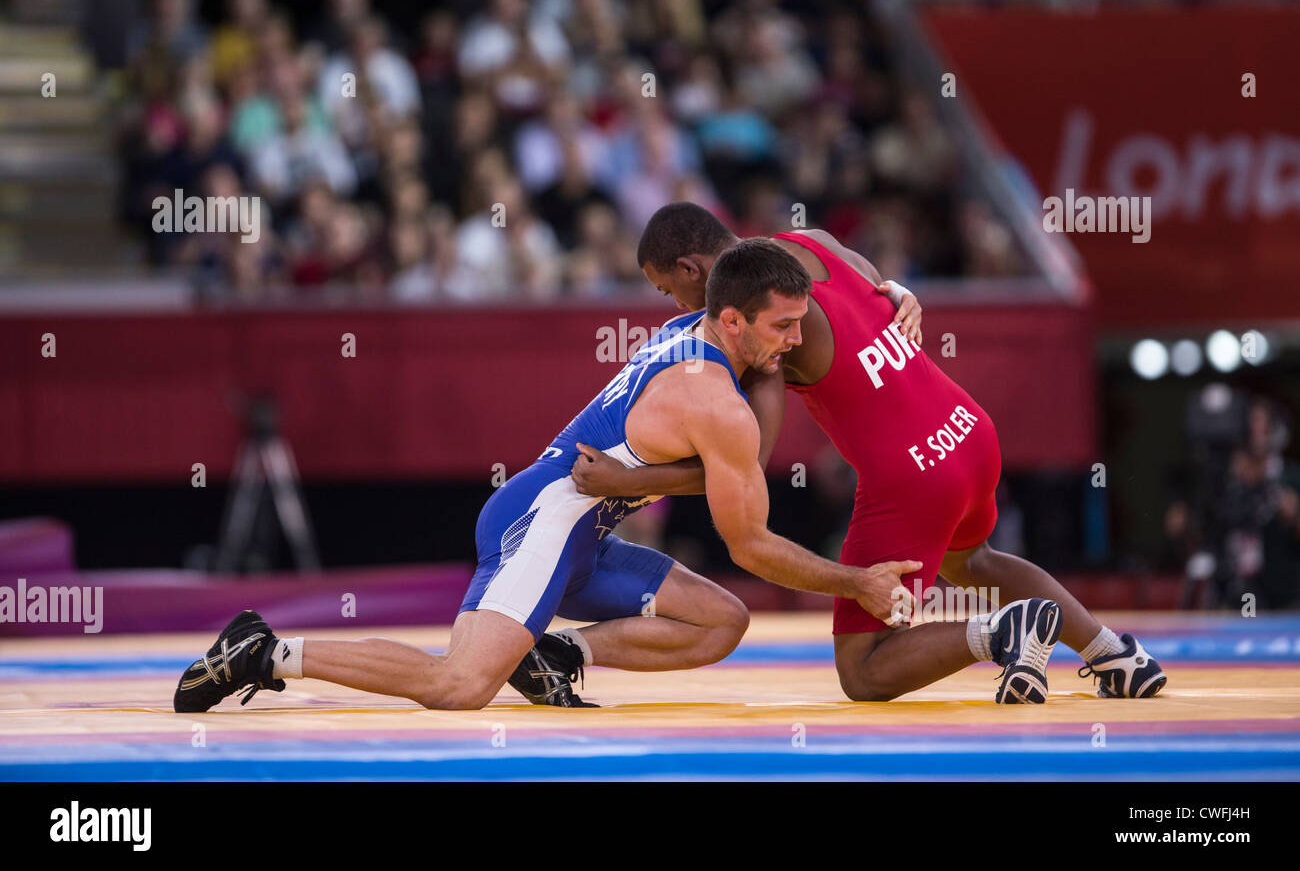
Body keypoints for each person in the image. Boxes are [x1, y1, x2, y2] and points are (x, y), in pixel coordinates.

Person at [178, 239, 1059, 711]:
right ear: (733, 319)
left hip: (587, 518)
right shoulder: (715, 405)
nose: (798, 342)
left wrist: (889, 283)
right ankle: (265, 650)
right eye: (784, 327)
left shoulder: (697, 344)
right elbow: (748, 541)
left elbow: (681, 476)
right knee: (457, 686)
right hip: (547, 519)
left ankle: (557, 654)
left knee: (719, 623)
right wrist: (853, 580)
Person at [572, 201, 1167, 702]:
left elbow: (744, 466)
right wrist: (905, 295)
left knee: (861, 670)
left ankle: (1001, 632)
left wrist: (628, 480)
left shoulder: (762, 329)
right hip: (969, 430)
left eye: (668, 289)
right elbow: (880, 286)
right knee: (974, 560)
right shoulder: (811, 240)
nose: (676, 306)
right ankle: (1115, 656)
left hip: (913, 478)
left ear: (690, 266)